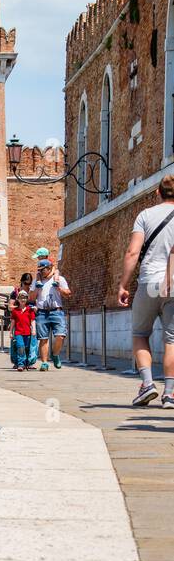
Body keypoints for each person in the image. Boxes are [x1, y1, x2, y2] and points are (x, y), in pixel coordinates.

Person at [117, 174, 174, 407]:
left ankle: (148, 384)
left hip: (149, 282)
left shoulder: (145, 215)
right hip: (173, 284)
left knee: (140, 334)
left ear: (157, 193)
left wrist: (123, 284)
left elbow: (132, 253)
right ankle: (170, 393)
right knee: (172, 339)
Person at [30, 255, 71, 369]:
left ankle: (55, 354)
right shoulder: (36, 281)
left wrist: (59, 288)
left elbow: (68, 293)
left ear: (49, 268)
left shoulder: (59, 279)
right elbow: (31, 298)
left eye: (43, 270)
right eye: (39, 270)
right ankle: (44, 362)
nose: (41, 272)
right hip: (42, 312)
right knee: (43, 338)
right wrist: (38, 288)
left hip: (56, 311)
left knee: (60, 336)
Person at [10, 290, 36, 370]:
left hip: (28, 332)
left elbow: (32, 320)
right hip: (18, 332)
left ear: (27, 299)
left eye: (24, 298)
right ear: (18, 299)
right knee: (20, 347)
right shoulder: (15, 311)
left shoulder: (30, 310)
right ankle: (20, 364)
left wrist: (34, 329)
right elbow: (13, 322)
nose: (23, 300)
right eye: (21, 298)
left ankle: (27, 363)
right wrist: (11, 332)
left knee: (27, 348)